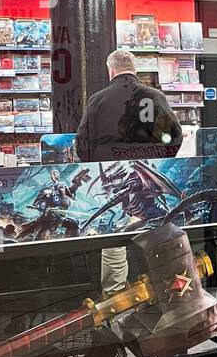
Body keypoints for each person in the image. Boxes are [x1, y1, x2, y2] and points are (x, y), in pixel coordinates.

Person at [75, 49, 183, 294]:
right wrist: (155, 161)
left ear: (110, 70)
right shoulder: (154, 97)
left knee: (113, 242)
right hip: (148, 187)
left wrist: (101, 162)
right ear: (135, 70)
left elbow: (82, 146)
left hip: (113, 188)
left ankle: (115, 301)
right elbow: (173, 137)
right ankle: (169, 293)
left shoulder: (98, 100)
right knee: (159, 237)